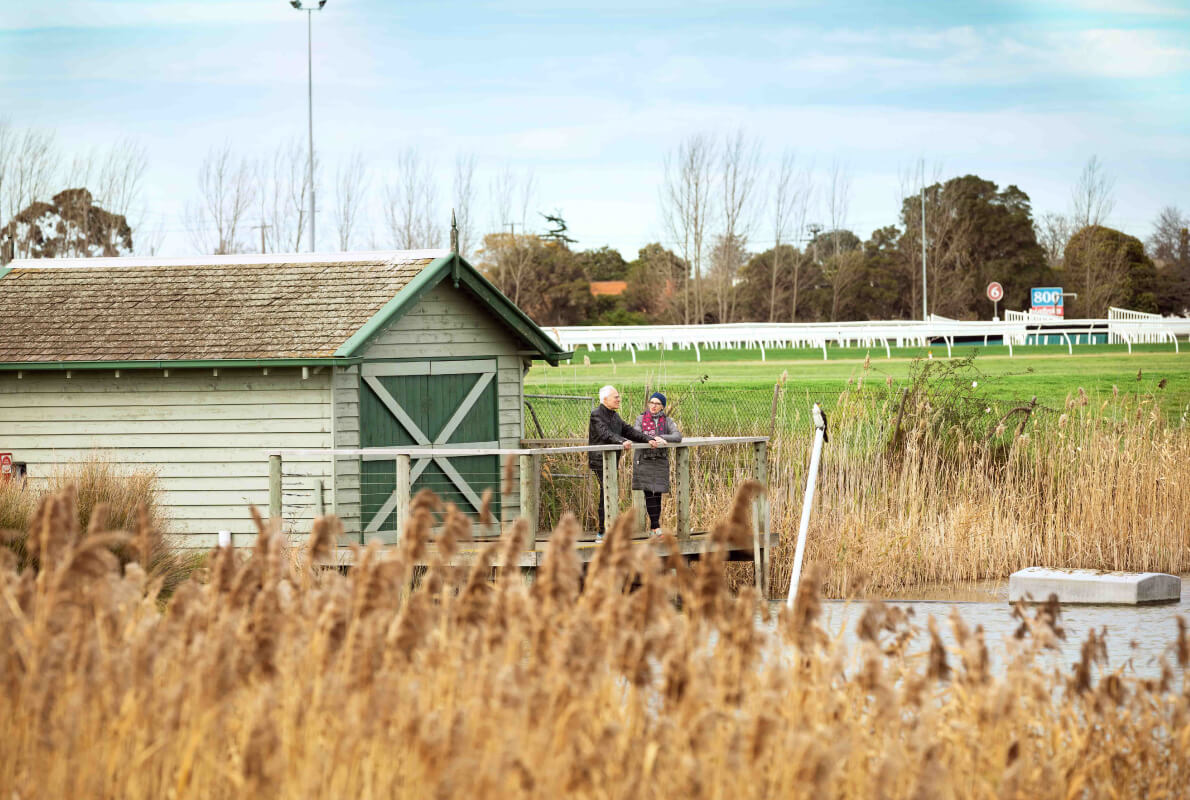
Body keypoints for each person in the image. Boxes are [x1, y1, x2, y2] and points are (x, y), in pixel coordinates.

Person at [589, 384, 657, 541]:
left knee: (608, 493)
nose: (619, 399)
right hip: (600, 460)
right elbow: (605, 434)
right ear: (605, 399)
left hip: (612, 460)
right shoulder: (597, 414)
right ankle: (602, 532)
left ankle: (607, 530)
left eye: (619, 396)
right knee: (605, 493)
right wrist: (622, 441)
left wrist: (649, 438)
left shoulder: (614, 415)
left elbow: (629, 431)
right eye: (616, 397)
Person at [632, 392, 682, 537]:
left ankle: (655, 527)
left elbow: (677, 436)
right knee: (649, 493)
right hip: (645, 461)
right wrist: (652, 439)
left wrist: (662, 437)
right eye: (651, 402)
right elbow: (636, 435)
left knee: (657, 493)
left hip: (659, 461)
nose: (653, 406)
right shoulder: (640, 419)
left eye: (657, 403)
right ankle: (655, 527)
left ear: (662, 407)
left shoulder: (667, 421)